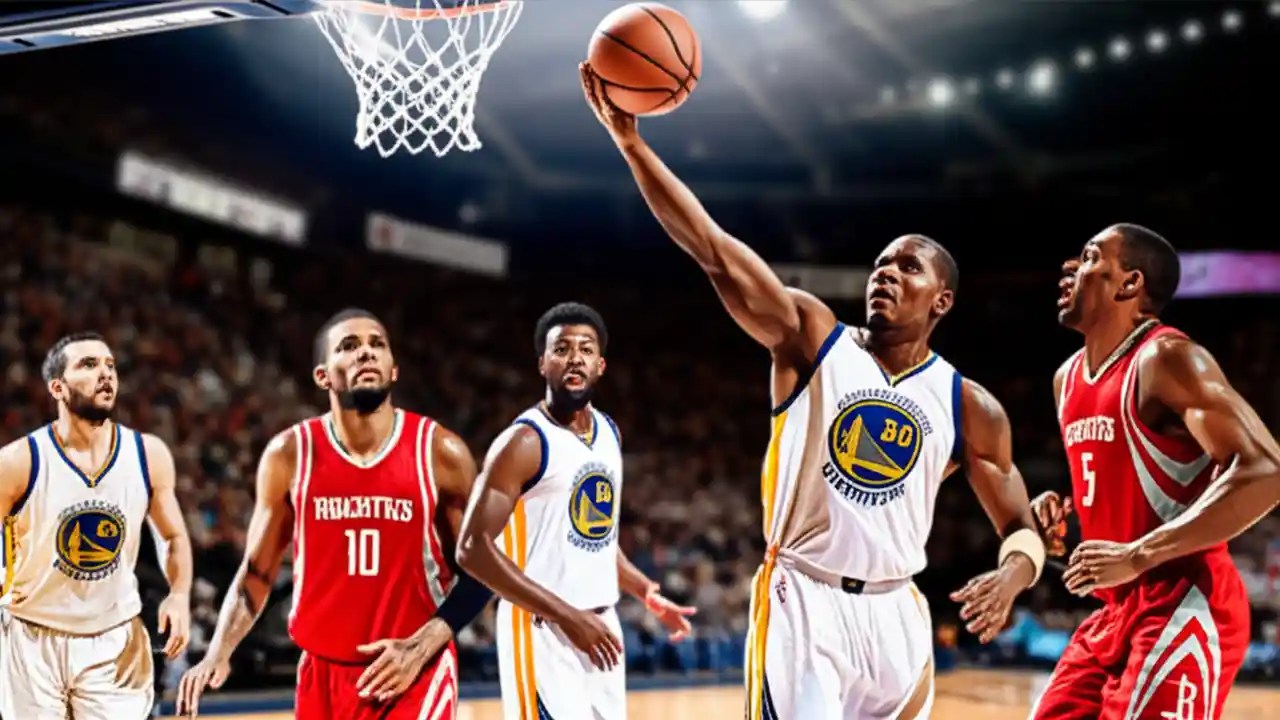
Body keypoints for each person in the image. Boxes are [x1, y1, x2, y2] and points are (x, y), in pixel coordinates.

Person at [578, 65, 1047, 720]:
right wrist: (634, 146)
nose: (885, 273)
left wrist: (1011, 576)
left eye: (906, 266)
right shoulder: (812, 336)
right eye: (881, 264)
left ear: (942, 300)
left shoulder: (970, 404)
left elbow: (1021, 530)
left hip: (897, 613)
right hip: (805, 599)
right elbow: (714, 252)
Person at [176, 309, 492, 719]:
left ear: (393, 370)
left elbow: (482, 568)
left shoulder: (439, 453)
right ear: (322, 376)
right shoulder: (290, 456)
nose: (366, 353)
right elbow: (256, 573)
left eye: (377, 345)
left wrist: (427, 641)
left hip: (412, 673)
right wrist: (218, 652)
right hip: (321, 676)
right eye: (349, 346)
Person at [1031, 223, 1280, 720]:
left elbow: (1266, 470)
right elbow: (1137, 485)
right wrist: (1068, 516)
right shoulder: (1066, 379)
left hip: (1186, 599)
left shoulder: (1167, 357)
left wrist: (1140, 553)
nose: (1068, 268)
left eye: (1088, 257)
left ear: (1130, 284)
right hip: (1114, 609)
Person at [456, 302, 696, 720]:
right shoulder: (523, 443)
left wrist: (645, 591)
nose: (574, 357)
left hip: (601, 626)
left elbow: (596, 538)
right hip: (543, 629)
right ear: (543, 363)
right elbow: (472, 548)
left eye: (585, 349)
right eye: (562, 348)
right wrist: (567, 617)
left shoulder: (608, 432)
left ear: (600, 365)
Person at [0, 332, 192, 719]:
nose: (105, 374)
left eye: (110, 365)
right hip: (33, 633)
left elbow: (173, 536)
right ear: (57, 387)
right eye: (88, 365)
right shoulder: (18, 462)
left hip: (115, 637)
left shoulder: (147, 454)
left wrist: (180, 594)